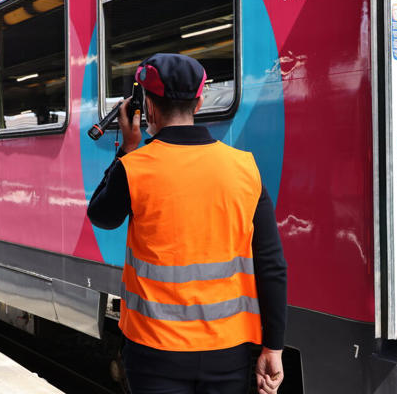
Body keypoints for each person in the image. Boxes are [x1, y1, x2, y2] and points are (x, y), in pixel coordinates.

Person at [87, 53, 287, 394]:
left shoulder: (134, 169)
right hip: (229, 351)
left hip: (155, 353)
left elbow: (101, 216)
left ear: (147, 107)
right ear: (199, 100)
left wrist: (127, 151)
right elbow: (272, 266)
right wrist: (273, 347)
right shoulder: (244, 169)